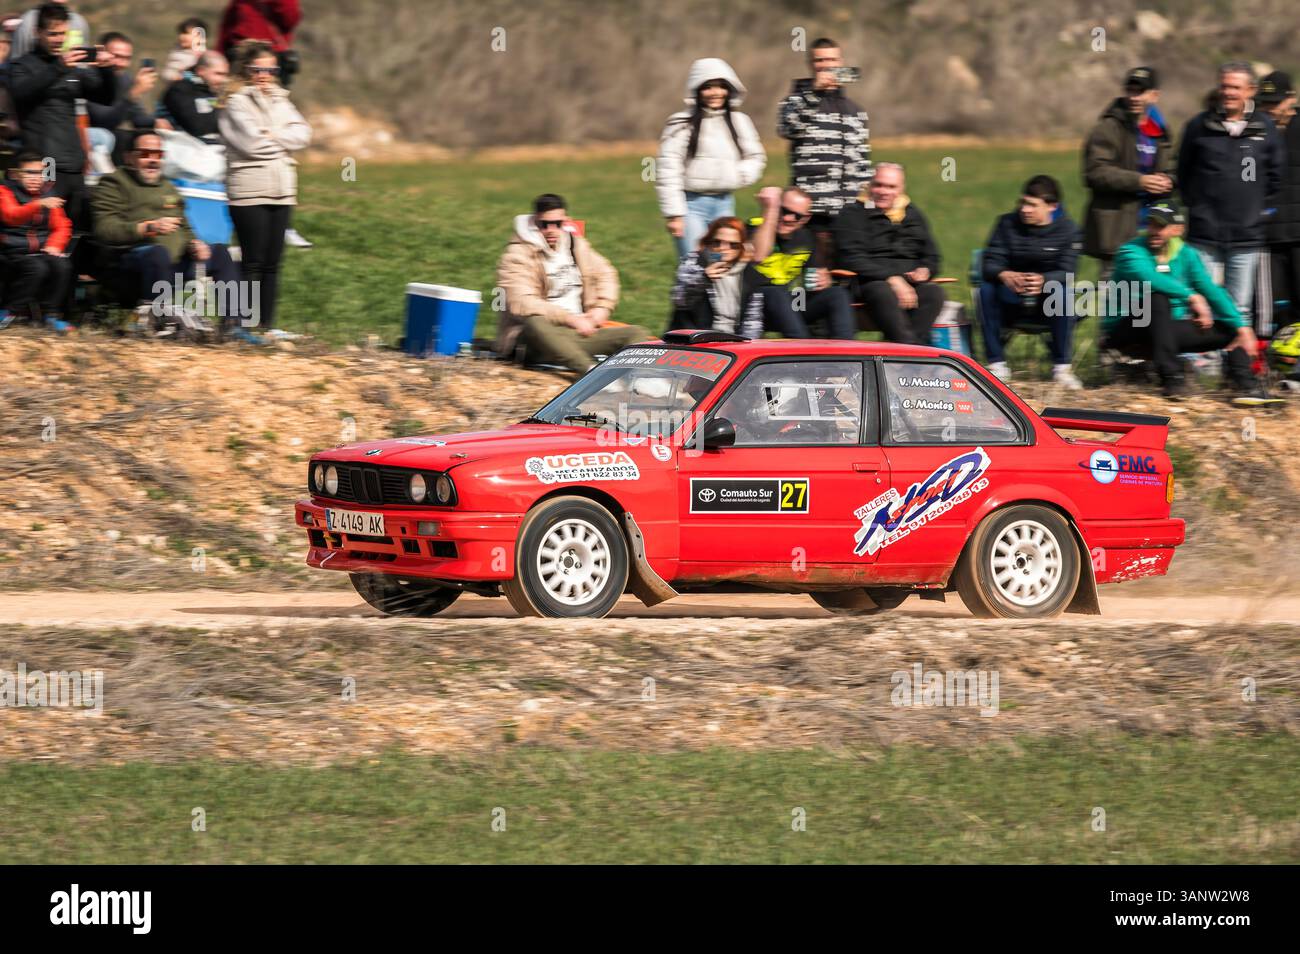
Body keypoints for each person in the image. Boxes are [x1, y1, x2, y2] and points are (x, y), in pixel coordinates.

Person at [90, 130, 240, 334]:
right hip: (130, 264)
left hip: (174, 265)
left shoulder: (168, 187)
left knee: (220, 253)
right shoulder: (114, 183)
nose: (152, 160)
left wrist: (194, 243)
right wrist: (147, 227)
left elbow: (184, 226)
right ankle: (161, 321)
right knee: (157, 252)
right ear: (129, 157)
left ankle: (233, 325)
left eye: (158, 155)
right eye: (145, 154)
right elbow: (105, 229)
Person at [1107, 202, 1258, 399]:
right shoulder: (1131, 251)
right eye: (1150, 224)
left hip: (1165, 330)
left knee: (1232, 329)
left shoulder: (1187, 255)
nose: (1153, 230)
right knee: (1157, 299)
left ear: (1177, 229)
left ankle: (1245, 385)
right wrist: (1191, 296)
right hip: (1128, 326)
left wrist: (1242, 327)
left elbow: (1212, 290)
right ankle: (1172, 378)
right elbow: (1150, 278)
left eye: (1160, 226)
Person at [217, 39, 311, 335]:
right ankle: (241, 325)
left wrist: (272, 135)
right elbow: (251, 144)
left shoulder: (282, 99)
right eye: (258, 69)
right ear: (246, 69)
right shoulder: (235, 102)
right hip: (249, 190)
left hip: (282, 190)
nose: (265, 75)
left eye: (270, 70)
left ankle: (266, 326)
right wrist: (282, 140)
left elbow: (304, 134)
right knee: (252, 261)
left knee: (273, 263)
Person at [1177, 62, 1284, 320]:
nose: (1229, 92)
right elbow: (1183, 173)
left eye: (1235, 87)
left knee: (1239, 309)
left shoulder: (1265, 128)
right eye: (1224, 86)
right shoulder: (1198, 126)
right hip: (1205, 235)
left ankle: (1236, 361)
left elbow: (1275, 176)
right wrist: (1199, 208)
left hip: (1246, 234)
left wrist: (1254, 209)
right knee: (1203, 305)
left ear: (1250, 90)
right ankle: (1205, 361)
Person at [495, 193, 646, 374]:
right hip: (539, 338)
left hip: (578, 332)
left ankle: (638, 379)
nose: (551, 230)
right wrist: (571, 319)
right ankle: (591, 374)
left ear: (565, 221)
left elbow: (606, 273)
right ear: (534, 222)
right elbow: (521, 303)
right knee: (535, 322)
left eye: (557, 224)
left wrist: (601, 309)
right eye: (544, 225)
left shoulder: (575, 245)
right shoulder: (516, 254)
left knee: (636, 333)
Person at [7, 2, 115, 229]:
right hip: (44, 162)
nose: (59, 39)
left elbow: (105, 98)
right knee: (47, 228)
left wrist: (107, 70)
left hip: (73, 162)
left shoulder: (72, 68)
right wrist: (59, 67)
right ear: (37, 33)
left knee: (78, 228)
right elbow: (21, 93)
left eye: (63, 34)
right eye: (52, 34)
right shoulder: (22, 66)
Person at [977, 174, 1084, 389]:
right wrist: (1005, 274)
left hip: (1047, 304)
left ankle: (1062, 368)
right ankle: (996, 365)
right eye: (1023, 203)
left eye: (1032, 205)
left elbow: (1068, 271)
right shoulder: (1006, 224)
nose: (1025, 209)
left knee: (1061, 292)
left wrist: (1044, 280)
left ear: (1052, 206)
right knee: (985, 289)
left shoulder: (1069, 230)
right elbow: (989, 263)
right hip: (1010, 299)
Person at [655, 57, 765, 260]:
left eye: (721, 86)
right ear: (697, 90)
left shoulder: (740, 122)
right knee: (695, 266)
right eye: (708, 87)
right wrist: (674, 215)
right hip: (691, 206)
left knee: (723, 263)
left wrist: (739, 175)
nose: (715, 93)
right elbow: (668, 169)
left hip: (724, 204)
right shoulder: (680, 123)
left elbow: (756, 157)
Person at [833, 162, 943, 345]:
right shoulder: (853, 213)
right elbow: (851, 258)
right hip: (868, 283)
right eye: (879, 184)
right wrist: (892, 278)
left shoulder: (913, 214)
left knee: (934, 293)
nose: (884, 191)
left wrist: (926, 270)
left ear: (901, 188)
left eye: (891, 187)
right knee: (882, 292)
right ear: (870, 185)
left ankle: (901, 355)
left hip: (911, 284)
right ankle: (910, 356)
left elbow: (932, 256)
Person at [1082, 66, 1174, 281]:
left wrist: (1169, 180)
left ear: (1154, 95)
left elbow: (1170, 168)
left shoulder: (1160, 131)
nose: (1134, 97)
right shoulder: (1108, 127)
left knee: (1153, 302)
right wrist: (1140, 181)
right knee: (1117, 303)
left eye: (1140, 91)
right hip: (1116, 230)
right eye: (1130, 90)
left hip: (1152, 230)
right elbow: (1095, 172)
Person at [776, 37, 871, 230]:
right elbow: (788, 129)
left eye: (832, 60)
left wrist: (867, 203)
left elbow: (862, 160)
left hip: (848, 209)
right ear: (811, 65)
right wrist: (813, 93)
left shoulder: (854, 110)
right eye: (820, 60)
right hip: (810, 209)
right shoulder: (795, 101)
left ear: (840, 63)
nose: (826, 65)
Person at [750, 185, 854, 339]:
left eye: (796, 216)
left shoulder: (806, 238)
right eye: (783, 210)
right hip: (759, 307)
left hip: (795, 304)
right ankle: (803, 350)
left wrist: (824, 281)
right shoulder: (756, 227)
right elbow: (758, 255)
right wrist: (770, 211)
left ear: (805, 218)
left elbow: (812, 278)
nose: (787, 218)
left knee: (837, 294)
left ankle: (847, 354)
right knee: (774, 291)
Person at [0, 150, 72, 331]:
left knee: (62, 265)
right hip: (10, 251)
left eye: (41, 173)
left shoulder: (47, 194)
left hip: (38, 252)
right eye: (30, 173)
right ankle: (8, 312)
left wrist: (54, 245)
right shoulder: (4, 191)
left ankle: (50, 316)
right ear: (15, 174)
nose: (36, 178)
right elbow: (11, 216)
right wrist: (37, 205)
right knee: (37, 268)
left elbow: (62, 225)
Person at [670, 215, 765, 337]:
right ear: (708, 243)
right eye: (717, 242)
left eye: (733, 245)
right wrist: (703, 279)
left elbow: (753, 321)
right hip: (694, 339)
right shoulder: (694, 262)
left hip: (733, 340)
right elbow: (679, 300)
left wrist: (747, 346)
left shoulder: (750, 274)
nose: (723, 249)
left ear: (742, 247)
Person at [86, 31, 162, 173]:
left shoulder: (124, 79)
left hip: (109, 140)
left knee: (147, 139)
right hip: (88, 137)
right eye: (116, 56)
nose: (121, 63)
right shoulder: (89, 76)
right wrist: (134, 92)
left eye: (126, 58)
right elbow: (103, 120)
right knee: (109, 136)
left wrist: (157, 123)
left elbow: (138, 118)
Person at [1259, 71, 1299, 331]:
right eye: (1265, 103)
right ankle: (1280, 367)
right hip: (1269, 238)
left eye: (1276, 103)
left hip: (1298, 236)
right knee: (1275, 312)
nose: (1271, 109)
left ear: (1291, 99)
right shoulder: (1255, 132)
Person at [219, 0, 299, 88]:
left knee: (269, 95)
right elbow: (227, 29)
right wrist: (219, 57)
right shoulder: (240, 2)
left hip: (270, 58)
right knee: (236, 94)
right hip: (239, 56)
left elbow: (290, 19)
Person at [163, 50, 227, 142]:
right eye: (218, 74)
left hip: (208, 148)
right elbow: (198, 128)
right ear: (201, 71)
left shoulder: (212, 90)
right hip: (182, 147)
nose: (223, 80)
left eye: (225, 75)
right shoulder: (180, 90)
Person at [5, 0, 87, 61]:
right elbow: (18, 64)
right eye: (52, 34)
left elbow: (82, 64)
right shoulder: (30, 20)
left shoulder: (78, 21)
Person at [161, 16, 209, 83]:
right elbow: (168, 72)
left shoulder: (204, 57)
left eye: (186, 33)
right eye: (181, 33)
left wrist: (184, 75)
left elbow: (200, 79)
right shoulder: (177, 52)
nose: (182, 36)